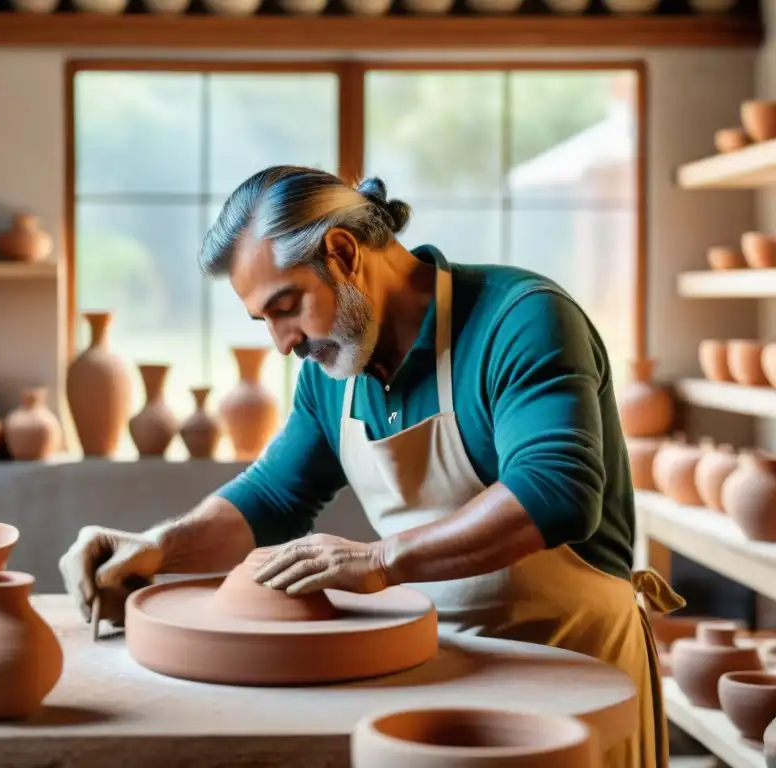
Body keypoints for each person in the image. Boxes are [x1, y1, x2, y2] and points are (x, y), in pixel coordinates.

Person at [59, 165, 684, 768]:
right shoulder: (331, 373)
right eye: (264, 321)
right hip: (433, 677)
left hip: (573, 675)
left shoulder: (519, 317)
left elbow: (555, 492)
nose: (283, 344)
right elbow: (274, 498)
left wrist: (381, 560)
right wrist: (157, 547)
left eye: (286, 307)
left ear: (342, 252)